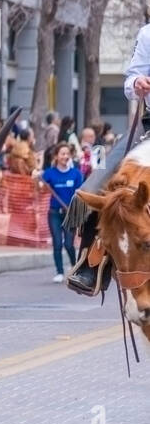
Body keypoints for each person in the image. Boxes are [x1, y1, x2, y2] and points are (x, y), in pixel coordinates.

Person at [66, 20, 150, 295]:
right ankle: (91, 263)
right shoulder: (148, 34)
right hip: (148, 127)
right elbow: (130, 81)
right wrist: (137, 83)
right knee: (99, 180)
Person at [37, 144, 80, 283]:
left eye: (67, 154)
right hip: (54, 213)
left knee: (68, 244)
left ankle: (75, 266)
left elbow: (81, 193)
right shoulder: (49, 173)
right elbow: (39, 188)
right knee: (57, 243)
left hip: (70, 214)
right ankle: (59, 271)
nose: (65, 157)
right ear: (56, 156)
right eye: (62, 154)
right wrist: (36, 178)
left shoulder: (76, 174)